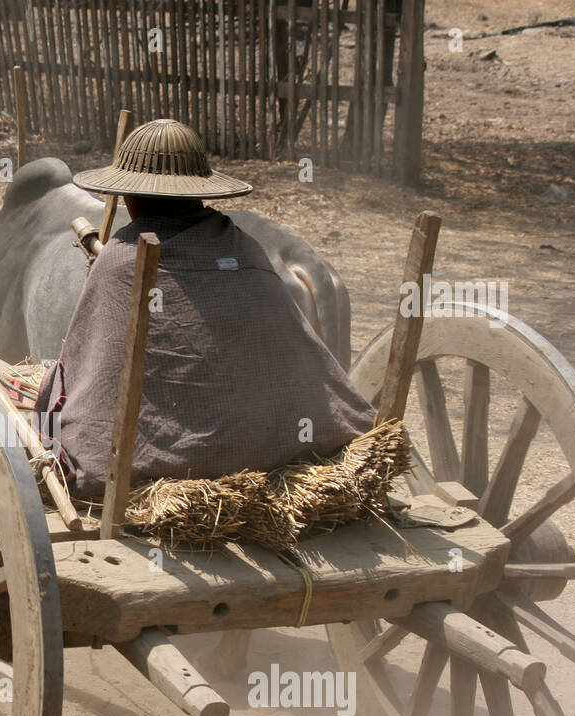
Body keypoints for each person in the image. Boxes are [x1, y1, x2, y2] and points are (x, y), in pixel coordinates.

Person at [34, 118, 376, 499]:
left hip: (157, 465)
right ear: (199, 194)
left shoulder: (119, 262)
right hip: (270, 451)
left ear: (131, 197)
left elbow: (90, 378)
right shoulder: (246, 251)